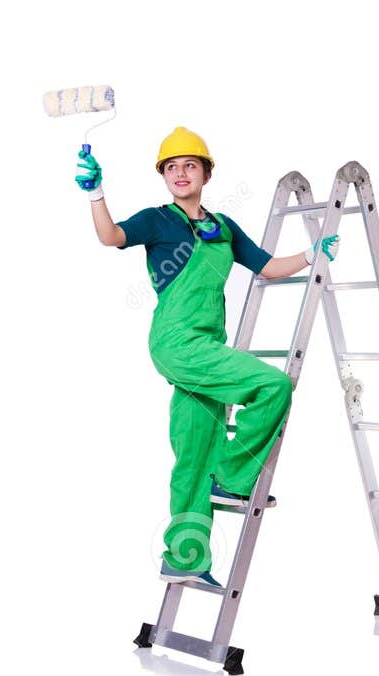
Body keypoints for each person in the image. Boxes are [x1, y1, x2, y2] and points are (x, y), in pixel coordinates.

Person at [78, 127, 339, 587]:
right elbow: (110, 236)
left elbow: (267, 266)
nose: (180, 173)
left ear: (206, 172)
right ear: (163, 176)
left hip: (208, 348)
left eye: (189, 165)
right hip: (178, 344)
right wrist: (96, 192)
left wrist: (310, 253)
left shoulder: (223, 227)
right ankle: (235, 476)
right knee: (272, 385)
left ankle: (184, 558)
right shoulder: (157, 221)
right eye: (171, 167)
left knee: (193, 453)